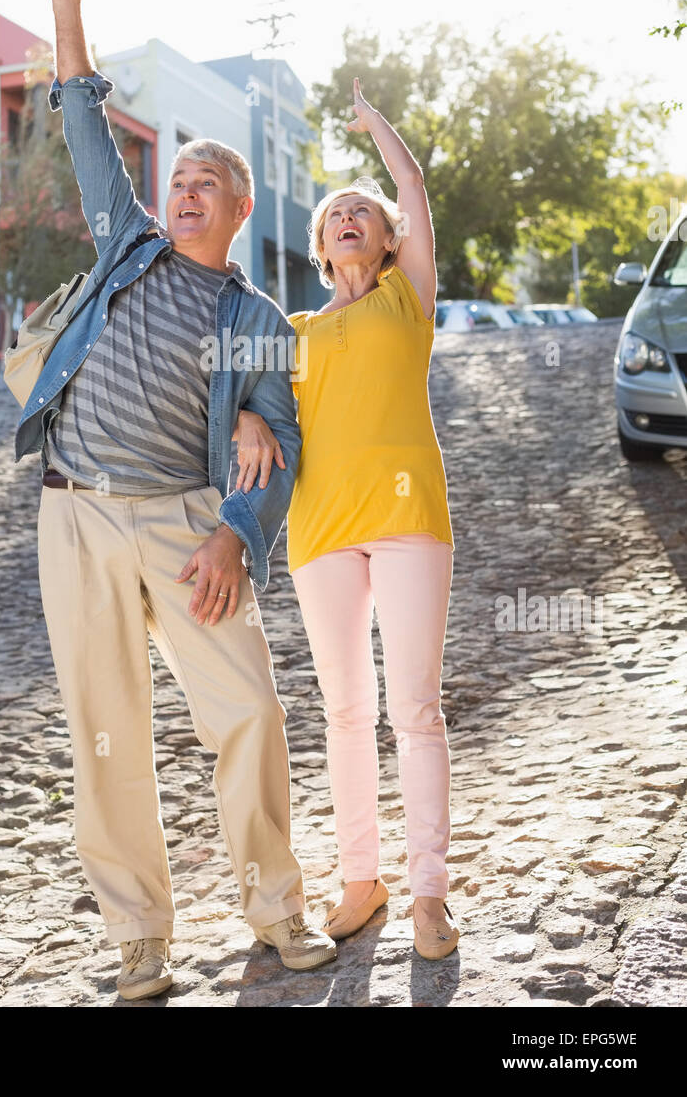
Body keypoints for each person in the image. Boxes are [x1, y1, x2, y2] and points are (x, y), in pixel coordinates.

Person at [15, 0, 335, 1000]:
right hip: (75, 513)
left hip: (186, 520)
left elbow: (275, 442)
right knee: (105, 722)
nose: (186, 188)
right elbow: (79, 118)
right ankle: (138, 935)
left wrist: (236, 535)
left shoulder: (252, 316)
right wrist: (65, 7)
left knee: (247, 707)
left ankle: (274, 906)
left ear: (240, 211)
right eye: (181, 176)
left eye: (208, 181)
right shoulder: (127, 240)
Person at [237, 78, 459, 959]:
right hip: (321, 531)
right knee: (343, 710)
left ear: (387, 239)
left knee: (416, 707)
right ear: (321, 247)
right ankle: (360, 882)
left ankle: (430, 894)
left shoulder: (410, 298)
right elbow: (244, 406)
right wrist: (252, 414)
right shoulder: (291, 331)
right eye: (335, 215)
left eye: (363, 211)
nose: (349, 218)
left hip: (410, 520)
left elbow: (415, 193)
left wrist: (373, 126)